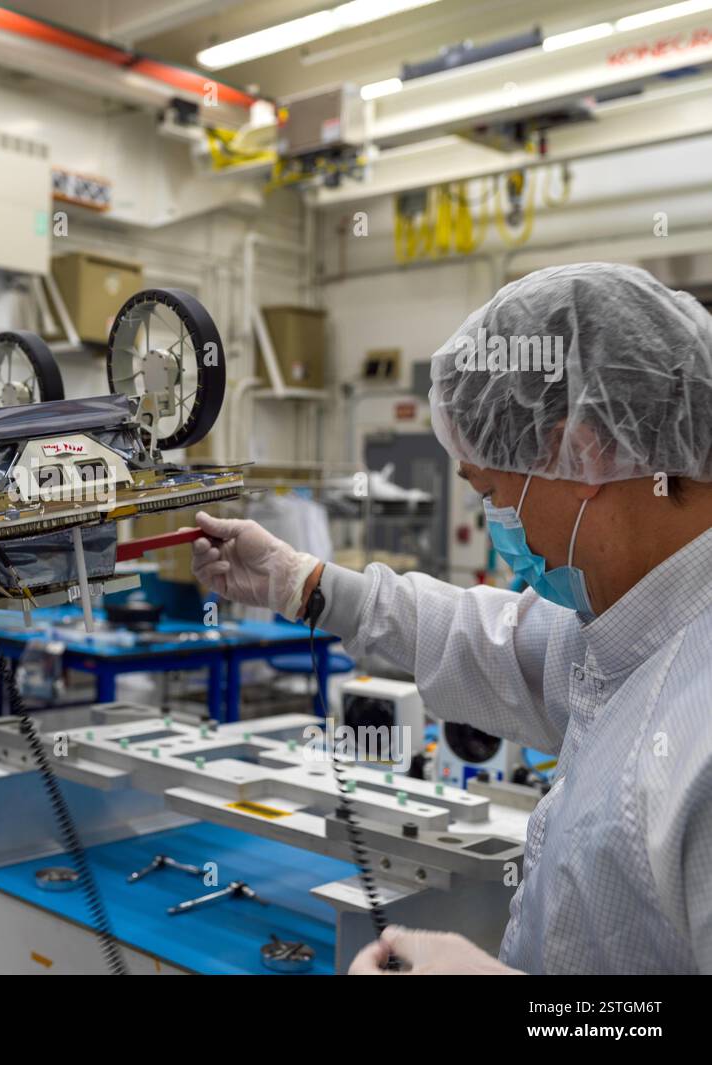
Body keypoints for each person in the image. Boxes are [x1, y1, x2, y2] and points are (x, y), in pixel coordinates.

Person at [192, 263, 712, 975]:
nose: (495, 522)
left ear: (586, 454)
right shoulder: (625, 619)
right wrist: (305, 584)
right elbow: (492, 642)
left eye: (493, 490)